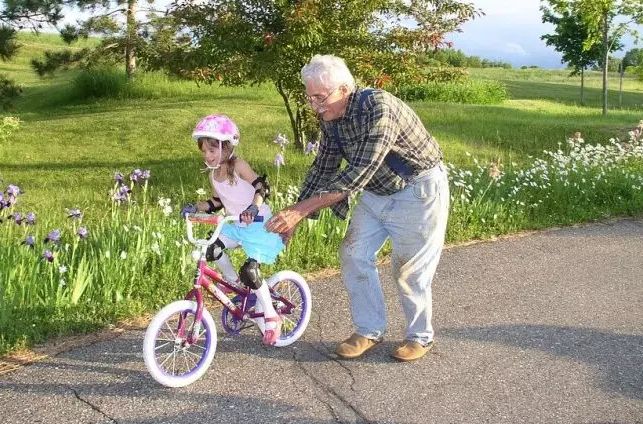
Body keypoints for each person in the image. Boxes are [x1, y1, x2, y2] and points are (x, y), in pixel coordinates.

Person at [265, 55, 450, 362]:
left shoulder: (379, 108)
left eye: (320, 98)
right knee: (353, 253)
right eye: (310, 98)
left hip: (417, 190)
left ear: (344, 89)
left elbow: (358, 173)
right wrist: (296, 217)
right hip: (377, 192)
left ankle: (420, 336)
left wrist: (300, 211)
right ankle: (369, 330)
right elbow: (323, 167)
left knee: (409, 270)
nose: (315, 106)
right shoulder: (331, 120)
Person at [181, 114, 285, 345]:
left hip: (259, 225)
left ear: (226, 146)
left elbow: (262, 187)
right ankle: (235, 285)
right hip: (236, 225)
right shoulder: (213, 175)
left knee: (250, 271)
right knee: (212, 249)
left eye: (212, 150)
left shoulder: (239, 165)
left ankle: (271, 316)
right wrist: (195, 207)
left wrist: (252, 208)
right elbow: (217, 203)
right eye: (204, 151)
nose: (207, 156)